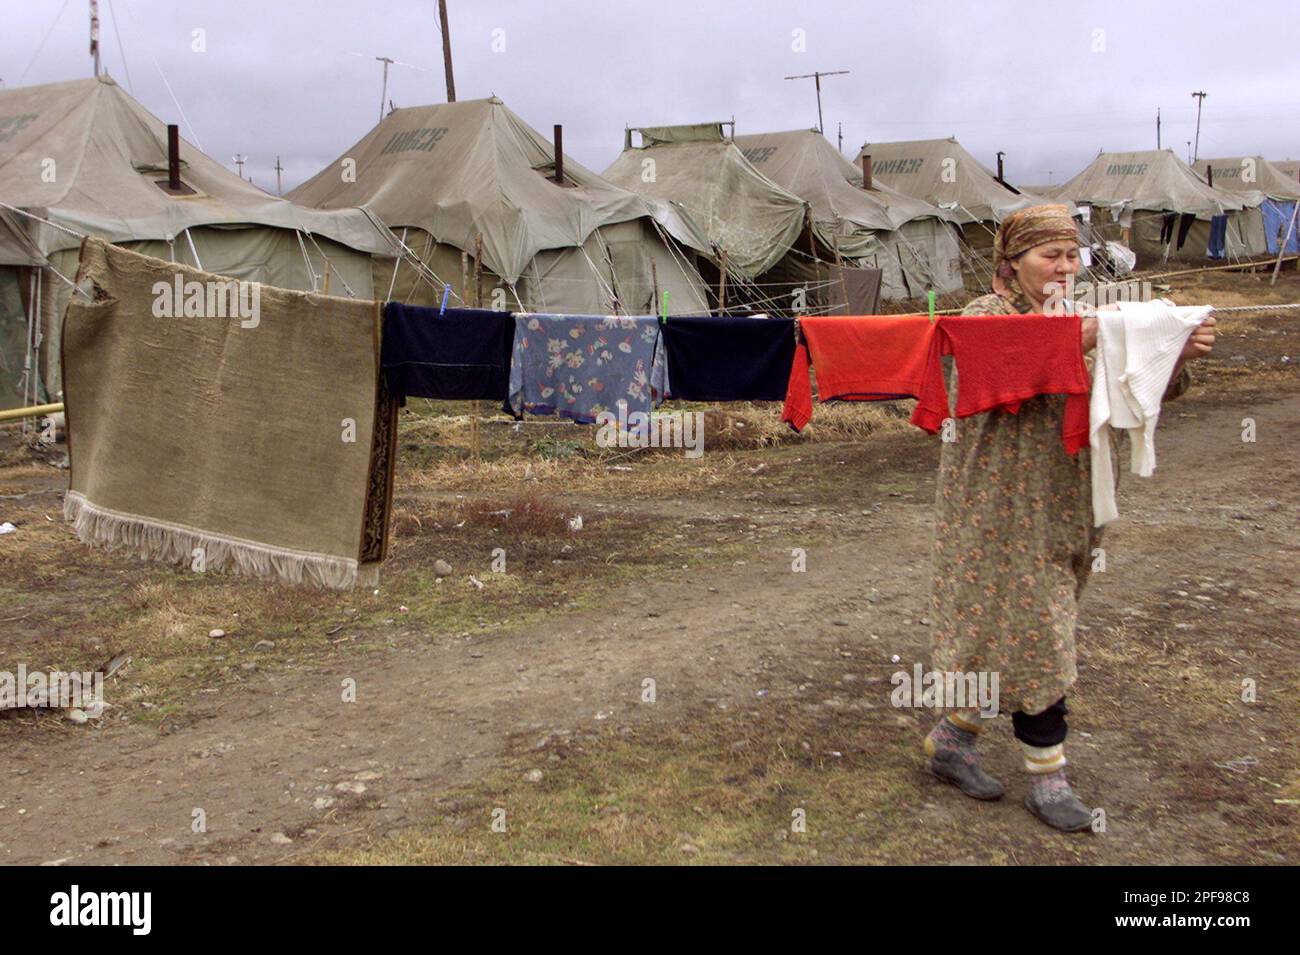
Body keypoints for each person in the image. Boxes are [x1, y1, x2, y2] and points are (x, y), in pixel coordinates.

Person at [922, 205, 1217, 831]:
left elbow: (1137, 388)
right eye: (1047, 256)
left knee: (1011, 629)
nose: (1063, 267)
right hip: (999, 508)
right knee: (1041, 635)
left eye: (1070, 255)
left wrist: (1174, 352)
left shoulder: (1087, 321)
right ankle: (1048, 780)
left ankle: (951, 741)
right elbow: (1011, 362)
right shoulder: (984, 317)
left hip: (1071, 505)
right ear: (1011, 264)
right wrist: (1102, 330)